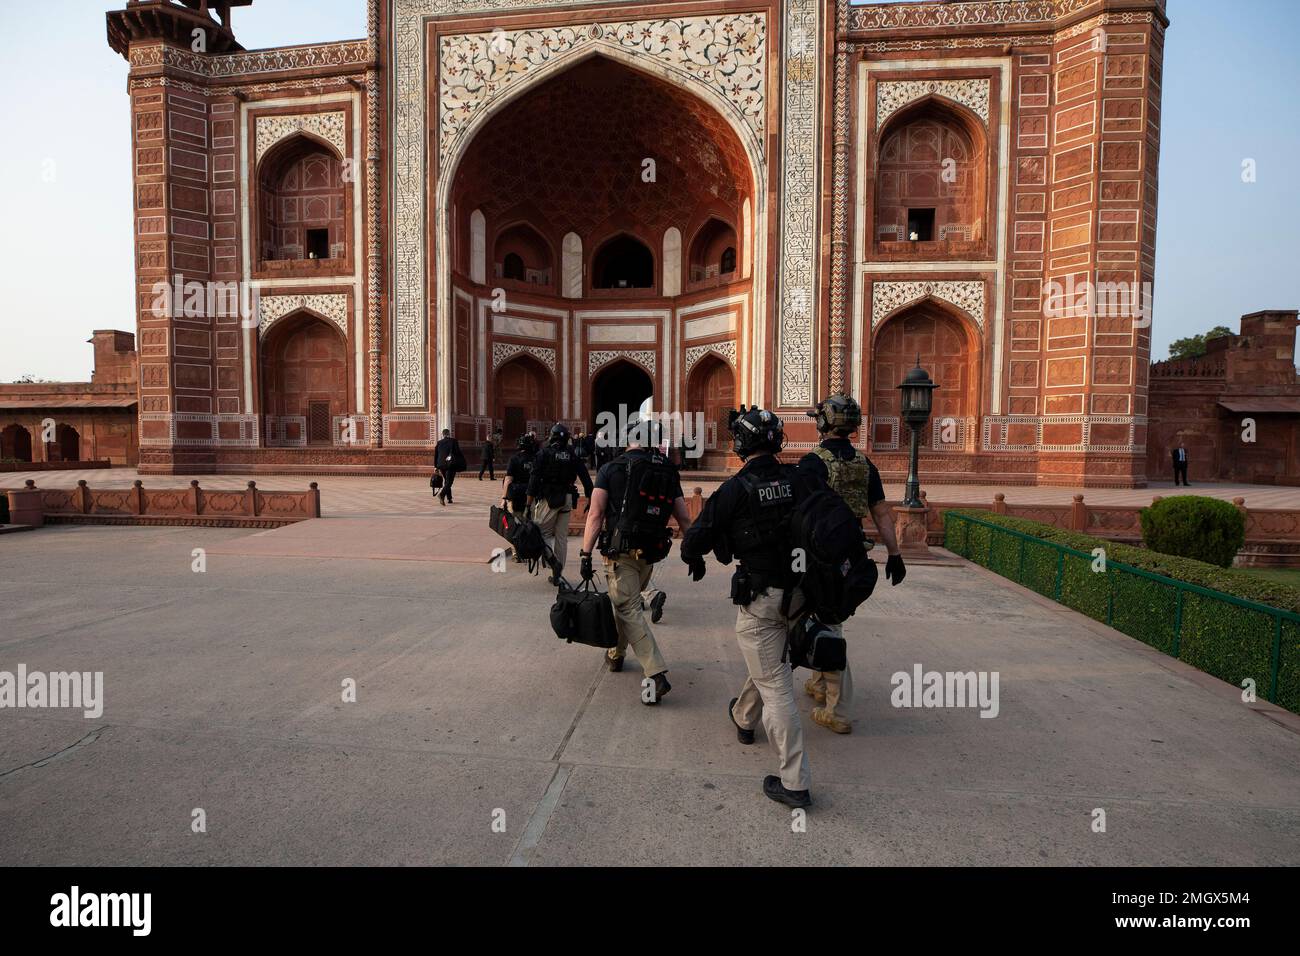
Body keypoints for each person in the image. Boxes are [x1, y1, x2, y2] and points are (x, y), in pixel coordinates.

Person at [680, 406, 814, 809]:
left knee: (776, 685)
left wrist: (697, 557)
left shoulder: (736, 490)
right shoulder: (799, 480)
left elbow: (693, 541)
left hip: (764, 598)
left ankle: (794, 782)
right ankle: (743, 717)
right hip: (803, 592)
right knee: (772, 664)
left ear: (741, 444)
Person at [797, 394, 906, 735]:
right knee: (827, 617)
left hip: (820, 554)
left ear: (823, 423)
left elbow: (798, 514)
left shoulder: (812, 463)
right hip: (853, 553)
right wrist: (895, 554)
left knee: (828, 626)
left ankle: (839, 709)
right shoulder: (864, 464)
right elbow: (881, 512)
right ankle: (820, 683)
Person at [579, 416, 692, 703]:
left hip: (622, 551)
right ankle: (615, 654)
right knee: (625, 604)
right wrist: (692, 550)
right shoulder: (667, 469)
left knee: (627, 608)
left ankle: (655, 673)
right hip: (652, 549)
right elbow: (683, 516)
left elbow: (595, 514)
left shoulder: (611, 468)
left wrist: (585, 552)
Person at [526, 423, 592, 580]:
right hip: (568, 498)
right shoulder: (572, 454)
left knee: (541, 532)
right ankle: (558, 574)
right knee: (562, 537)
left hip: (550, 499)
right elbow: (586, 478)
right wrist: (590, 498)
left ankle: (553, 562)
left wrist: (528, 504)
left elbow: (533, 480)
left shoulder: (544, 453)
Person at [433, 428, 464, 506]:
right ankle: (442, 495)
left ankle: (449, 498)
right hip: (450, 464)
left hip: (441, 465)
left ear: (442, 434)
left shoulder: (439, 442)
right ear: (449, 434)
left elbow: (436, 455)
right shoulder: (453, 441)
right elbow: (457, 452)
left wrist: (435, 466)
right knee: (449, 482)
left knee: (447, 481)